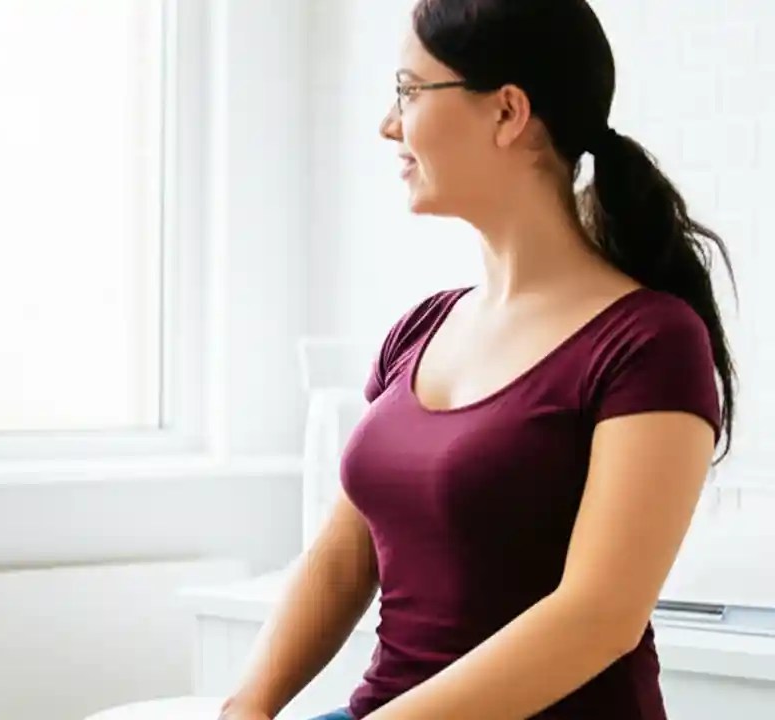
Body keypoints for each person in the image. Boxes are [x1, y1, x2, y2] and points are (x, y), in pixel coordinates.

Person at [220, 1, 734, 718]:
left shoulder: (649, 341)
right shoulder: (421, 329)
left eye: (408, 91)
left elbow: (597, 619)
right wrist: (244, 709)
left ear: (507, 112)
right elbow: (343, 559)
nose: (389, 124)